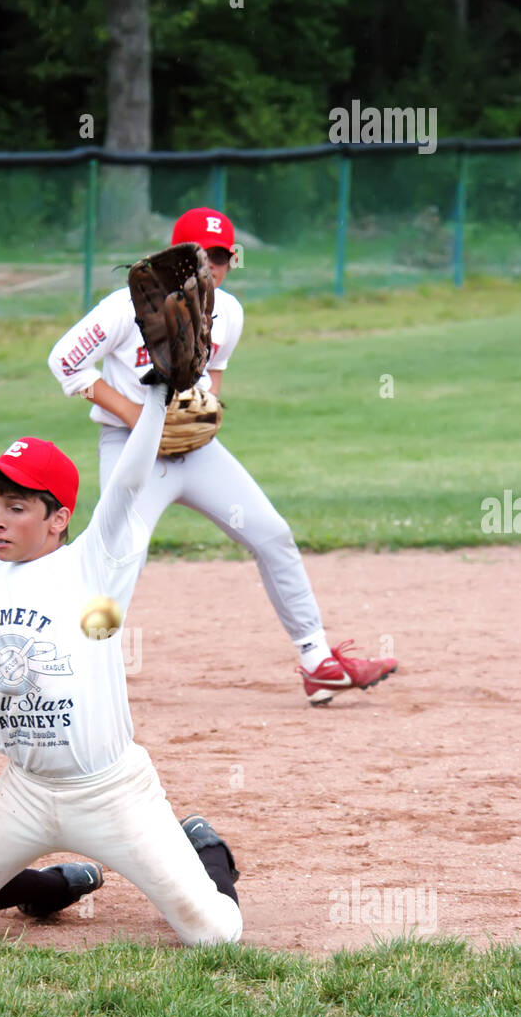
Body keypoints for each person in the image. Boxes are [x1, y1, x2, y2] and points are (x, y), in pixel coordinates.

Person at [0, 383, 242, 947]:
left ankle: (205, 850)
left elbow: (130, 480)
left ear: (57, 518)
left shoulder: (95, 566)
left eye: (17, 507)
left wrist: (159, 395)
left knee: (214, 935)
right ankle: (61, 884)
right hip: (24, 791)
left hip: (111, 792)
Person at [48, 205, 398, 706]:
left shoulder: (228, 312)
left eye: (220, 256)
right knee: (122, 553)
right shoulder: (124, 308)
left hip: (196, 452)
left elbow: (211, 380)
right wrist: (134, 415)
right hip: (132, 452)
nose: (210, 266)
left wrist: (205, 409)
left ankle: (317, 660)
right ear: (174, 257)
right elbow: (63, 360)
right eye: (199, 256)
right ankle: (80, 670)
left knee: (272, 533)